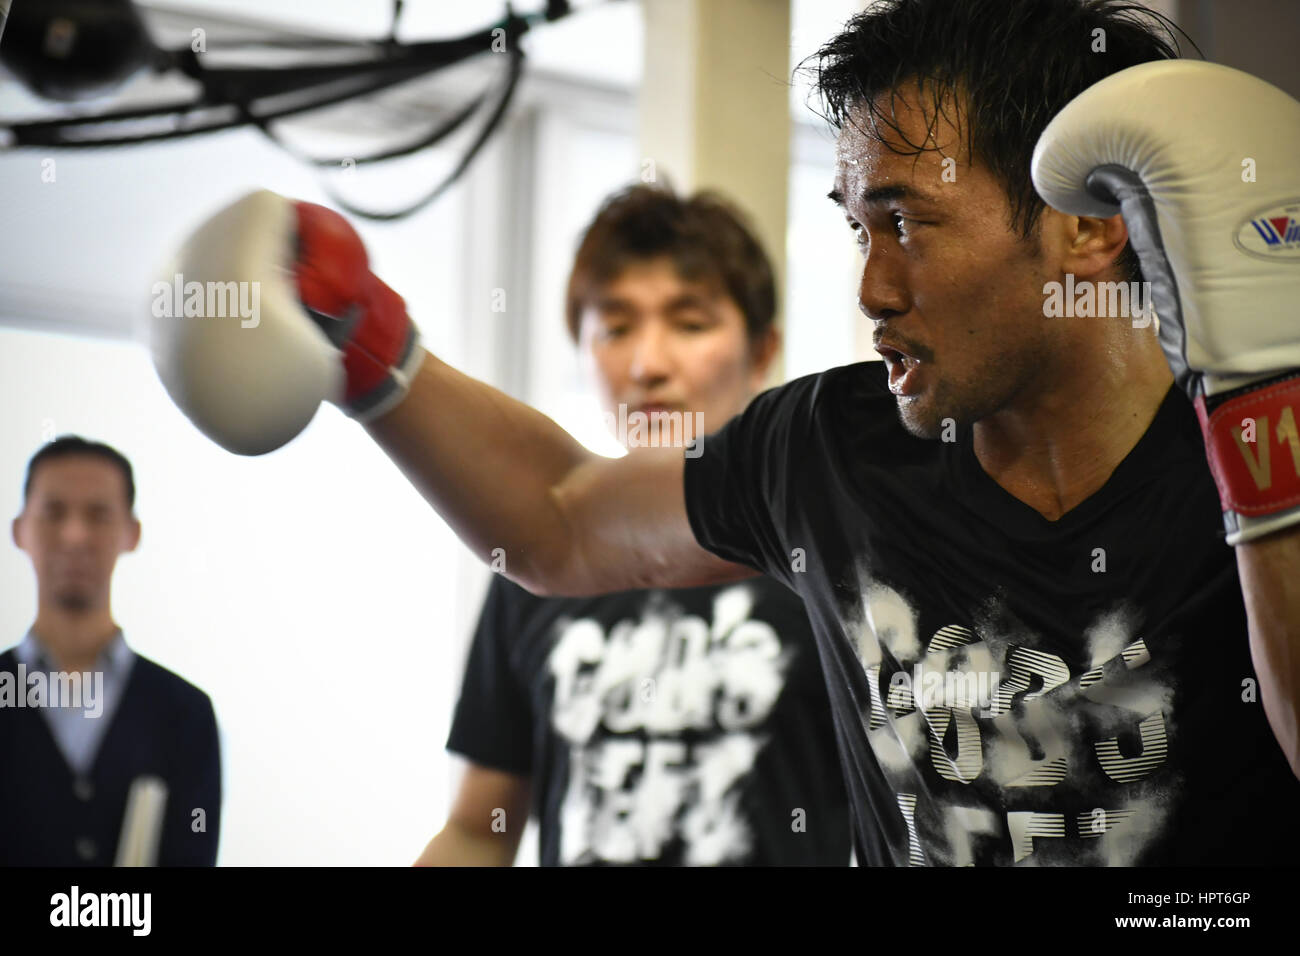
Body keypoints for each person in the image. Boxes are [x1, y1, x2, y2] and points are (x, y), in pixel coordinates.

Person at [150, 0, 1300, 866]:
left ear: (1085, 231)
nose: (872, 286)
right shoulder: (830, 455)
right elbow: (556, 518)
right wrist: (373, 352)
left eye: (906, 221)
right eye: (857, 225)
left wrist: (1266, 423)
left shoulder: (1248, 445)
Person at [415, 185, 852, 866]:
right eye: (616, 329)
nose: (648, 366)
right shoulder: (532, 563)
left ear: (761, 350)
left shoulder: (822, 557)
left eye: (689, 322)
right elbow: (479, 829)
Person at [1, 436, 221, 866]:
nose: (75, 535)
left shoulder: (184, 714)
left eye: (98, 514)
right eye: (54, 512)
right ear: (20, 530)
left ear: (131, 532)